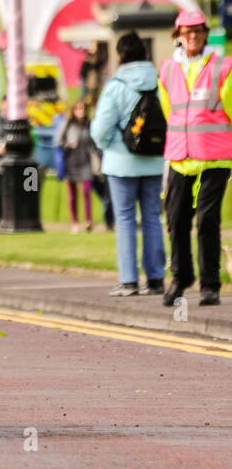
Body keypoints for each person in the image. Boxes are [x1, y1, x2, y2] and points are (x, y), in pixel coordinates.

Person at [158, 10, 232, 306]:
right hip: (180, 156)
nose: (193, 36)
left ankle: (210, 285)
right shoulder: (166, 70)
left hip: (215, 156)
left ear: (205, 33)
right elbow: (169, 110)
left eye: (198, 31)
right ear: (177, 35)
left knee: (207, 220)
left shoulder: (223, 67)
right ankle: (182, 275)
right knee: (176, 219)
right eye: (187, 32)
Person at [90, 32, 167, 296]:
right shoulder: (159, 81)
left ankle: (129, 281)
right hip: (154, 160)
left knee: (124, 219)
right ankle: (156, 279)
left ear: (121, 54)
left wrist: (115, 146)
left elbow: (100, 130)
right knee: (152, 218)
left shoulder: (116, 85)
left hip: (121, 164)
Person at [56, 100, 97, 232]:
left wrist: (98, 160)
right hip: (71, 162)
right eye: (77, 109)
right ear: (73, 111)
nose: (80, 112)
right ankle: (74, 222)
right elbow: (58, 142)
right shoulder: (68, 125)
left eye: (82, 109)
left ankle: (88, 221)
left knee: (86, 191)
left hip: (86, 162)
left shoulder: (89, 125)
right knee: (72, 195)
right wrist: (67, 145)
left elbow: (95, 144)